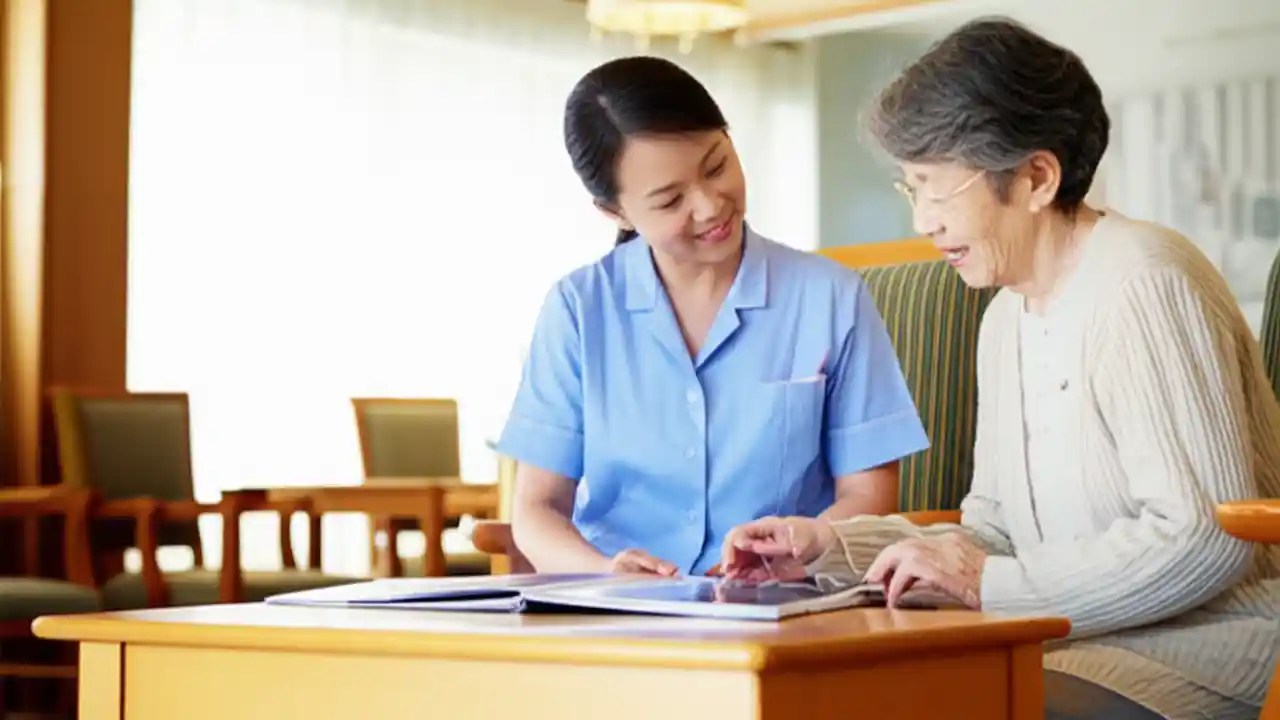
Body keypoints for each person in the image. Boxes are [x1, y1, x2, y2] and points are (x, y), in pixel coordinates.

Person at [720, 18, 1280, 720]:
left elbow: (1202, 538)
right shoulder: (1007, 317)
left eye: (938, 188)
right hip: (1062, 645)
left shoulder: (1144, 280)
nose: (923, 220)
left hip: (1204, 654)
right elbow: (993, 534)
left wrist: (989, 584)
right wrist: (830, 546)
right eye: (910, 188)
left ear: (1037, 177)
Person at [495, 56, 929, 578]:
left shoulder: (831, 297)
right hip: (618, 620)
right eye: (670, 199)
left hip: (783, 612)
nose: (709, 206)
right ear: (616, 213)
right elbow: (537, 508)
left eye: (717, 165)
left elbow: (869, 494)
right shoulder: (578, 308)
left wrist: (806, 541)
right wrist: (604, 573)